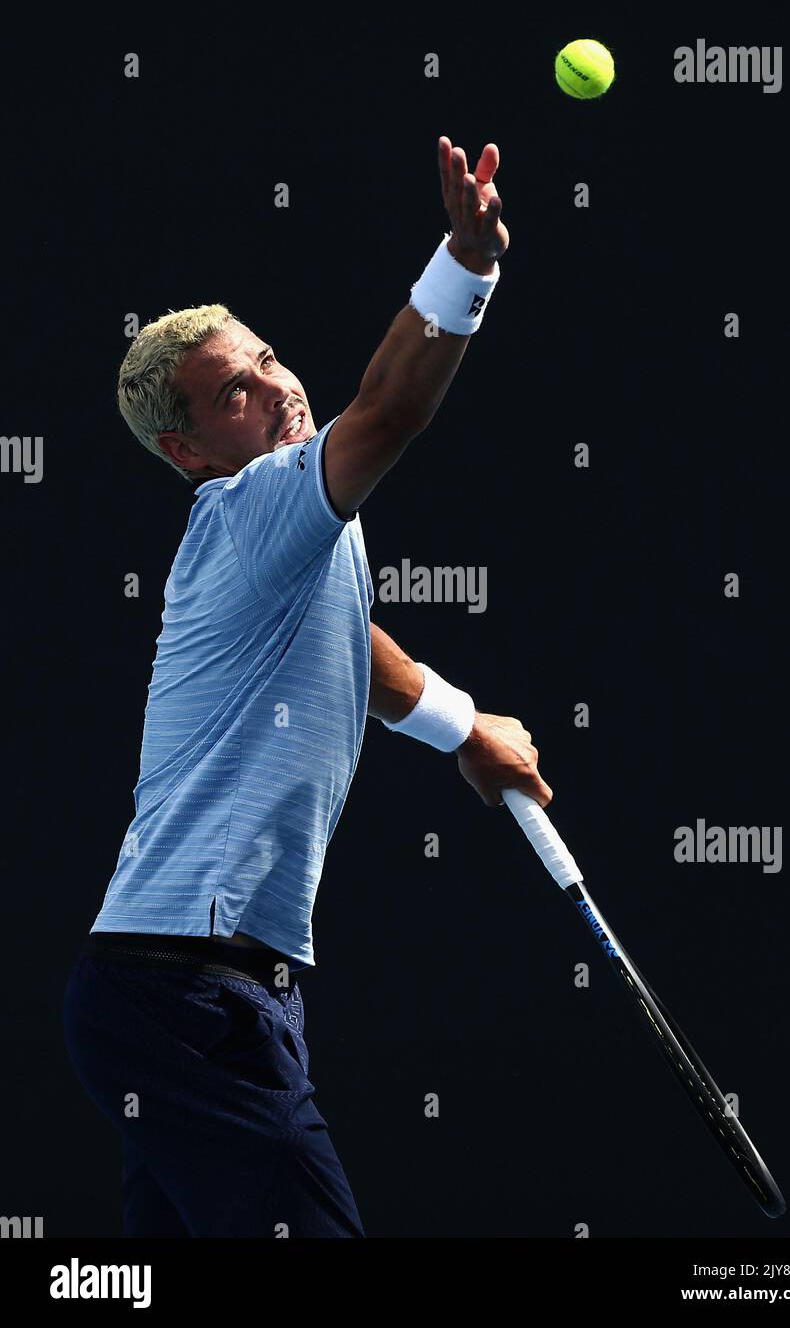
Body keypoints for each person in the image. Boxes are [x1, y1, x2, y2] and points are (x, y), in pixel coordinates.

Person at [63, 136, 552, 1238]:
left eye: (268, 358)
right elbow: (389, 411)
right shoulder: (251, 505)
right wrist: (464, 263)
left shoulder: (281, 545)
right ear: (189, 451)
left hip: (167, 995)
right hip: (193, 996)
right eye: (235, 390)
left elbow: (351, 641)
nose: (276, 384)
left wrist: (460, 725)